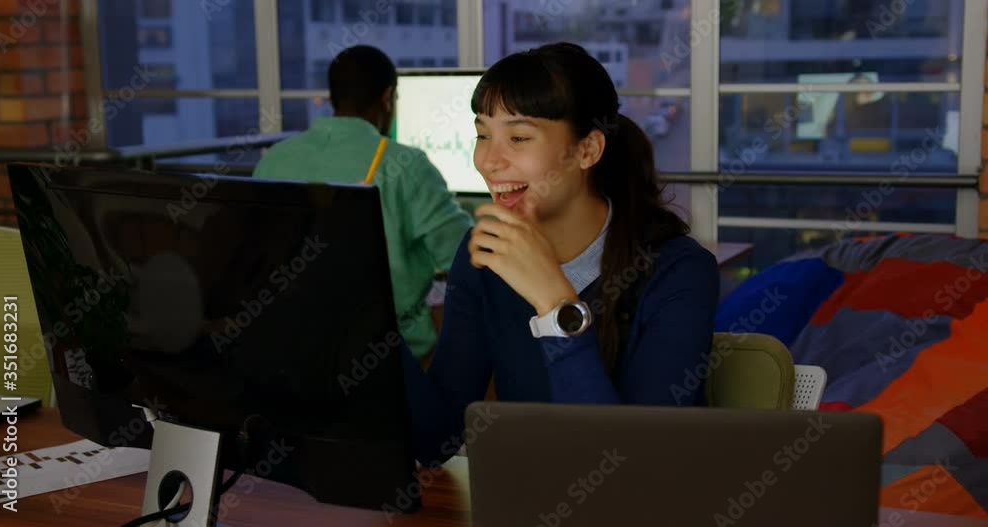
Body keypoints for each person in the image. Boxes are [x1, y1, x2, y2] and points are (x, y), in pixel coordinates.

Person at [402, 42, 719, 466]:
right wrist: (368, 326)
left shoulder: (679, 272)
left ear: (587, 150)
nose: (489, 161)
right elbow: (437, 438)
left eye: (517, 137)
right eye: (482, 135)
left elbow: (629, 470)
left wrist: (554, 304)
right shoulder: (486, 255)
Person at [253, 45, 472, 360]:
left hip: (289, 348)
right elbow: (464, 256)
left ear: (332, 98)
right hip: (384, 357)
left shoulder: (273, 160)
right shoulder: (404, 164)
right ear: (387, 98)